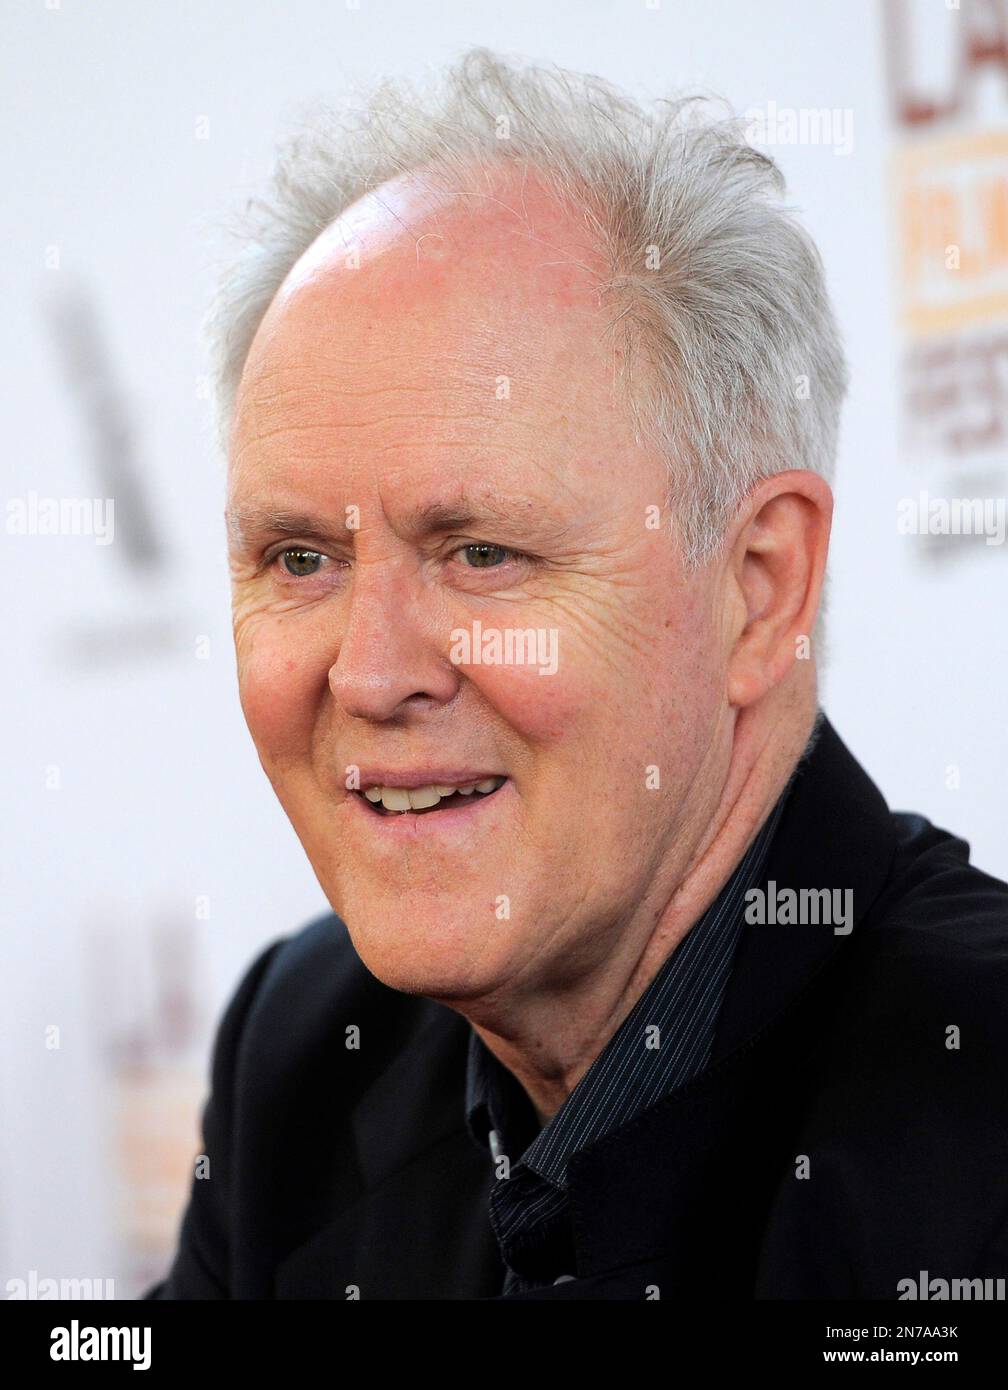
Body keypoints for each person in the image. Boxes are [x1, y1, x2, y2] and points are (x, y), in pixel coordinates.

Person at [145, 49, 1008, 1299]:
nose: (373, 673)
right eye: (300, 556)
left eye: (482, 552)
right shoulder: (303, 1050)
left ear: (758, 585)